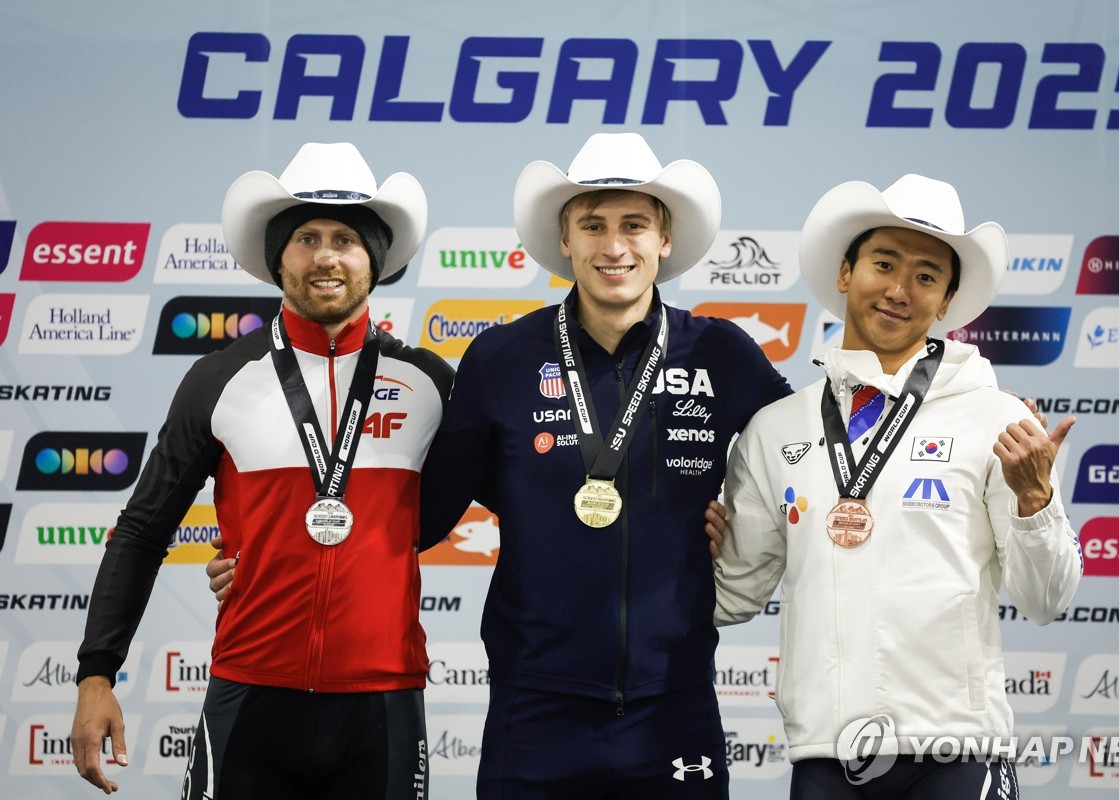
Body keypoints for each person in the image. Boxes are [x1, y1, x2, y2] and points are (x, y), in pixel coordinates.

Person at [414, 132, 792, 798]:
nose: (614, 247)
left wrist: (754, 521)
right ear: (566, 240)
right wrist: (276, 553)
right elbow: (416, 516)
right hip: (534, 706)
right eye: (593, 226)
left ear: (665, 240)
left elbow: (813, 460)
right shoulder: (501, 359)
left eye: (634, 225)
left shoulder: (721, 353)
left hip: (674, 705)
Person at [71, 142, 453, 798]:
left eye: (346, 239)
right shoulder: (218, 379)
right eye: (306, 237)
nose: (327, 256)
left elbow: (518, 503)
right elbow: (141, 530)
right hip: (250, 696)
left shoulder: (429, 383)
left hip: (382, 703)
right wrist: (96, 674)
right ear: (279, 256)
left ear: (376, 259)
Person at [712, 174, 1083, 799]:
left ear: (946, 302)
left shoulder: (998, 419)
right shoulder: (775, 429)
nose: (899, 289)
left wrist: (1035, 504)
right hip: (827, 756)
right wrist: (693, 550)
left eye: (926, 276)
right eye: (883, 263)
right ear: (845, 272)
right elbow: (731, 599)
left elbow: (1048, 600)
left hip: (957, 750)